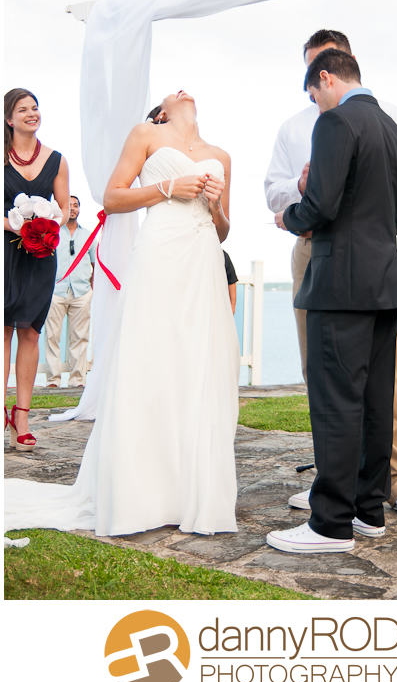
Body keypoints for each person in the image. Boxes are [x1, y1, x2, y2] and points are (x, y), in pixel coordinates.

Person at [5, 89, 240, 536]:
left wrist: (213, 204)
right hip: (159, 255)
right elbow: (112, 198)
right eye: (175, 90)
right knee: (150, 361)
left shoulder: (220, 156)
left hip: (202, 261)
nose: (184, 90)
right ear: (164, 109)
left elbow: (224, 229)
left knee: (199, 365)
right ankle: (142, 490)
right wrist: (166, 188)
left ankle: (190, 489)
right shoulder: (144, 134)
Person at [265, 29, 397, 522]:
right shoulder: (385, 123)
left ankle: (339, 514)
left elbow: (321, 203)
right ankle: (363, 503)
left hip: (343, 269)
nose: (313, 100)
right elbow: (393, 198)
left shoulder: (336, 121)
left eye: (314, 88)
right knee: (364, 391)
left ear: (328, 74)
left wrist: (292, 213)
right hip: (378, 270)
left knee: (341, 390)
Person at [4, 88, 69, 450]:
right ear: (9, 119)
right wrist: (13, 224)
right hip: (5, 251)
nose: (32, 113)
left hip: (41, 252)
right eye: (23, 109)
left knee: (30, 331)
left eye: (35, 107)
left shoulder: (57, 160)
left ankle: (22, 416)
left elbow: (63, 209)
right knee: (3, 330)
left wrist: (46, 220)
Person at [45, 195, 96, 389]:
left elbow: (95, 265)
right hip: (56, 291)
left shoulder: (89, 236)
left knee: (80, 337)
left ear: (80, 209)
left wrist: (92, 289)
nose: (73, 209)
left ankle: (77, 380)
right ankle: (53, 380)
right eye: (69, 205)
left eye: (76, 205)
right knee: (52, 337)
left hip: (81, 291)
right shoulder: (53, 232)